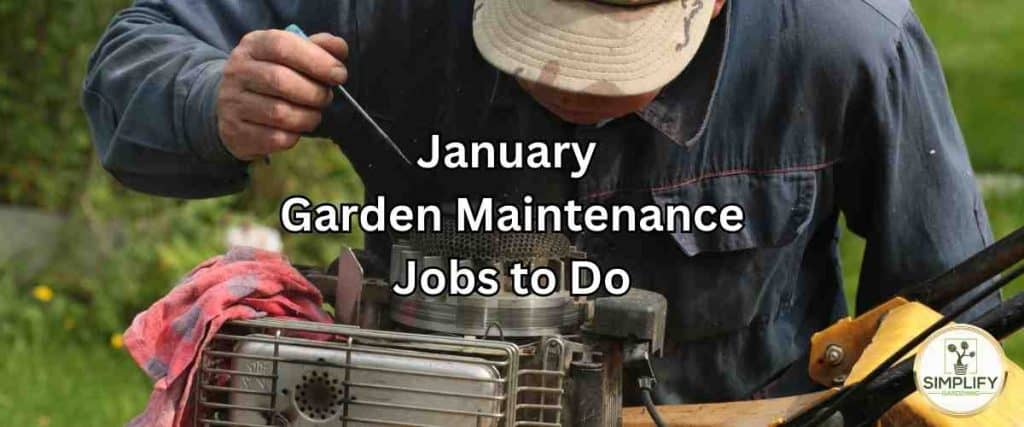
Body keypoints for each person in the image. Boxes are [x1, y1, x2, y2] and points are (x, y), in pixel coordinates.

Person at [83, 0, 998, 403]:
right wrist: (213, 98)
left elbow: (952, 318)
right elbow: (139, 50)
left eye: (612, 50)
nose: (567, 81)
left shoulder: (848, 43)